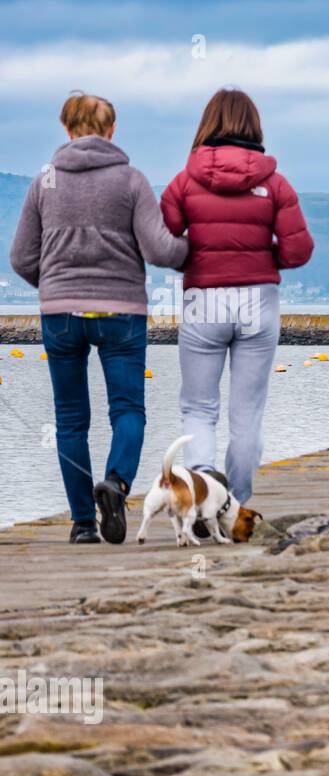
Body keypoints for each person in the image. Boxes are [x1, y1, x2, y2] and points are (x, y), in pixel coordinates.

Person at [9, 93, 189, 544]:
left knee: (71, 419)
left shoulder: (43, 183)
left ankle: (83, 524)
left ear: (66, 129)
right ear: (111, 130)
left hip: (61, 314)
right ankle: (116, 483)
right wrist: (193, 247)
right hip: (121, 312)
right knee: (127, 409)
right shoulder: (130, 181)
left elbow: (19, 257)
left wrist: (52, 284)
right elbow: (160, 250)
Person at [162, 88, 313, 519]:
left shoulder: (184, 181)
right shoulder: (276, 183)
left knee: (198, 407)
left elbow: (165, 237)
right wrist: (267, 257)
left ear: (207, 124)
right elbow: (299, 250)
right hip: (258, 300)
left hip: (203, 298)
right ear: (254, 127)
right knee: (246, 413)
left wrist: (195, 255)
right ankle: (236, 503)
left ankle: (202, 490)